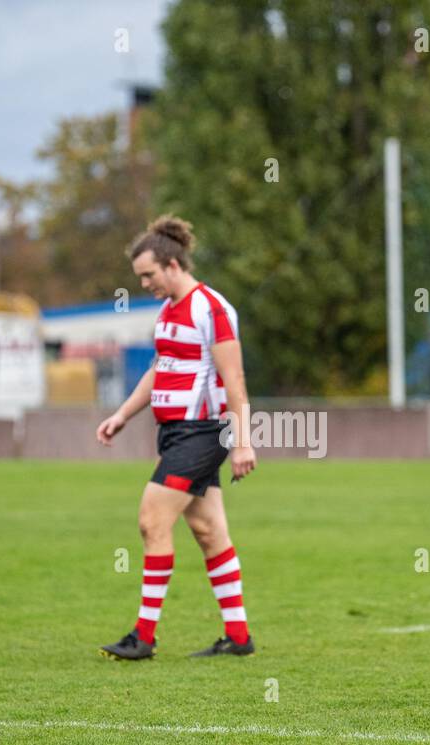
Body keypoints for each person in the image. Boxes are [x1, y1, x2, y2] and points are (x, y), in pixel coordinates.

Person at [95, 216, 257, 660]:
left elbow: (234, 377)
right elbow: (159, 370)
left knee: (152, 520)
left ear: (171, 264)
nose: (144, 283)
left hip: (202, 433)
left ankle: (143, 636)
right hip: (173, 434)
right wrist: (123, 415)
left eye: (148, 274)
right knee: (208, 531)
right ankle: (239, 638)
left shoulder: (212, 308)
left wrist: (243, 441)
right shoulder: (168, 311)